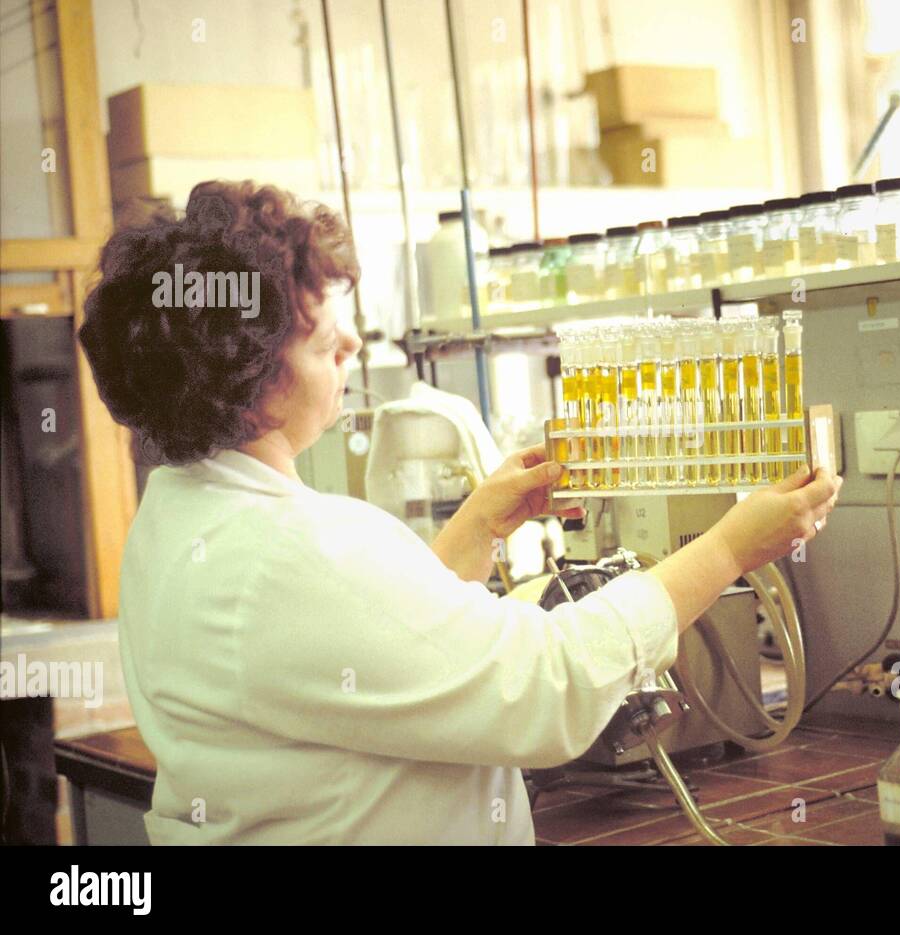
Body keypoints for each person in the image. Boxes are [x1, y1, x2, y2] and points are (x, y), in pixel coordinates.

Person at [78, 180, 841, 844]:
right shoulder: (295, 549)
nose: (351, 340)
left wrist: (474, 529)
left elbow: (354, 655)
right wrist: (731, 549)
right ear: (249, 382)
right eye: (322, 341)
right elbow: (547, 686)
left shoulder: (177, 521)